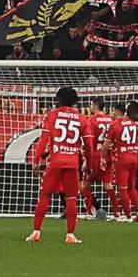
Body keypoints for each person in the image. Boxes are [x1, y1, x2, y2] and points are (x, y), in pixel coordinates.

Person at [29, 84, 90, 244]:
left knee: (45, 195)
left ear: (58, 100)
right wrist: (88, 162)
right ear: (75, 101)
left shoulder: (52, 115)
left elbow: (44, 139)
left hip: (55, 161)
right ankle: (70, 234)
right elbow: (88, 144)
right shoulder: (82, 118)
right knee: (71, 198)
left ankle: (36, 232)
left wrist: (36, 160)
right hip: (73, 162)